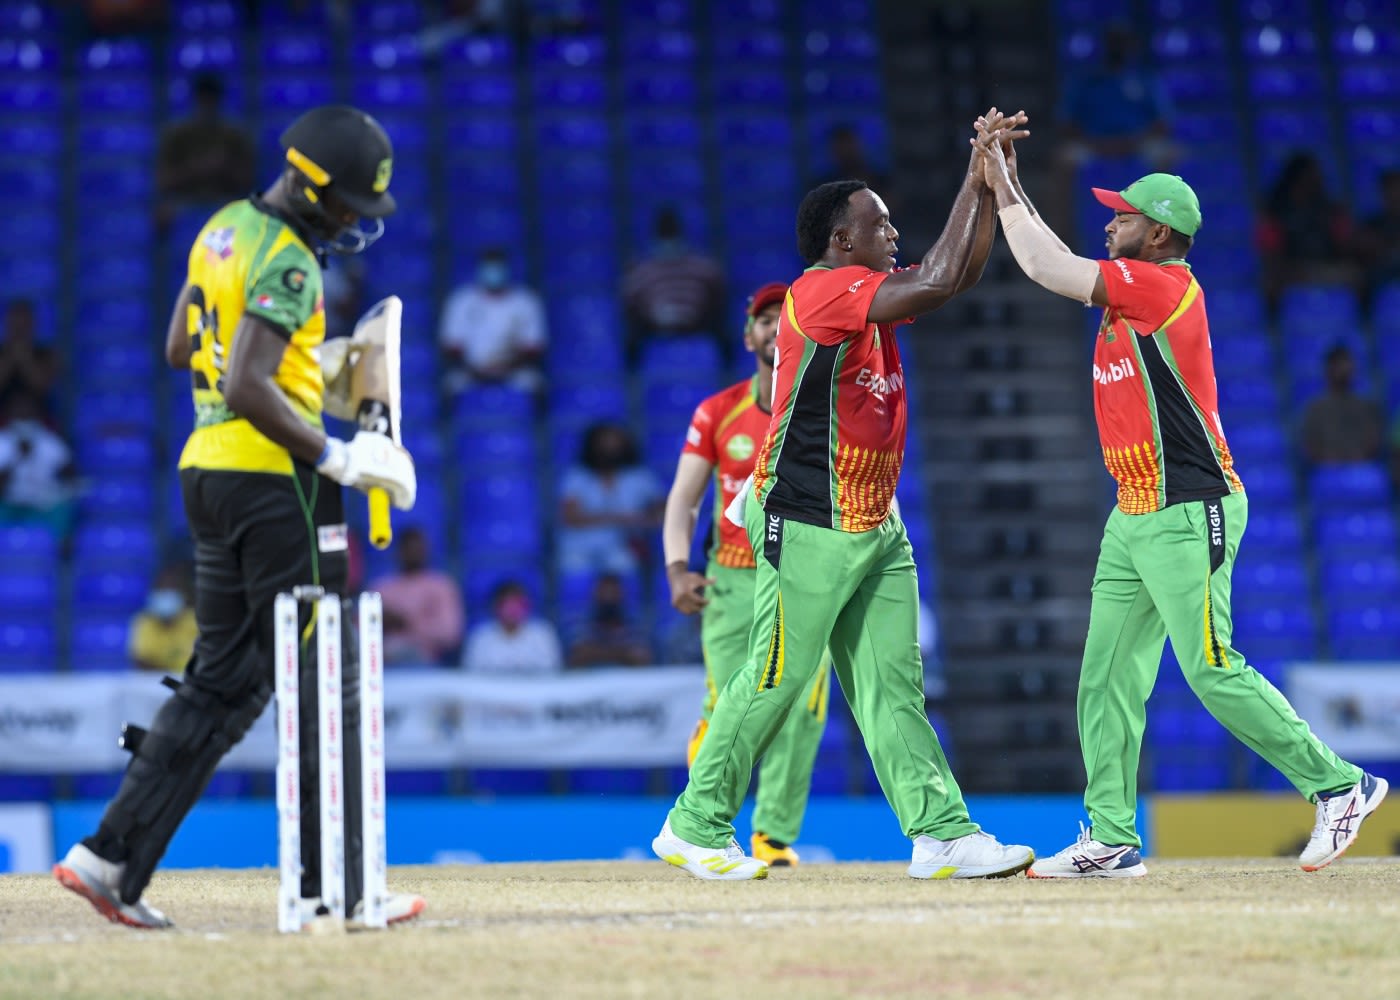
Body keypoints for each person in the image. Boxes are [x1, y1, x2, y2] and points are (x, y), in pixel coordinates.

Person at [975, 111, 1389, 877]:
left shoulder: (1160, 288)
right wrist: (1009, 179)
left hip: (1187, 504)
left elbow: (1045, 266)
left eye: (1122, 217)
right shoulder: (1132, 290)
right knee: (1104, 677)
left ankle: (1341, 786)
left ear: (1158, 235)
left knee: (1209, 666)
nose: (1110, 226)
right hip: (1134, 510)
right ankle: (1110, 837)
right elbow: (1061, 255)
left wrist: (1001, 187)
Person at [54, 105, 424, 929]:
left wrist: (310, 369)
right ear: (308, 183)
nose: (353, 224)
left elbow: (183, 346)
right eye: (348, 207)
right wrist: (333, 454)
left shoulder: (221, 229)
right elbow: (252, 383)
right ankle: (341, 888)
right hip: (273, 483)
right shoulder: (291, 262)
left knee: (226, 680)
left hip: (206, 474)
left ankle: (111, 857)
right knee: (323, 673)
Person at [653, 108, 1035, 882]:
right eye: (880, 223)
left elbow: (953, 274)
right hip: (809, 514)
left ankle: (942, 833)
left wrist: (987, 186)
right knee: (776, 677)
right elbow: (937, 279)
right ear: (841, 240)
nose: (893, 233)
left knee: (895, 685)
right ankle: (694, 826)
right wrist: (974, 178)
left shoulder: (865, 287)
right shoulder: (822, 292)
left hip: (874, 519)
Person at [661, 281, 830, 868]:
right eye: (762, 318)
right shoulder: (717, 412)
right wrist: (678, 568)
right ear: (748, 334)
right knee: (725, 704)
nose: (770, 327)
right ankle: (705, 825)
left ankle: (772, 838)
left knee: (801, 711)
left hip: (802, 576)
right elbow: (683, 500)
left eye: (780, 317)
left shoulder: (822, 409)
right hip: (731, 581)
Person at [557, 421, 663, 579]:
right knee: (574, 567)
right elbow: (570, 517)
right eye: (604, 443)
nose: (610, 448)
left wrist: (646, 520)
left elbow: (662, 510)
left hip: (623, 546)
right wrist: (621, 518)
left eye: (615, 443)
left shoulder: (639, 476)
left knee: (624, 564)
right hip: (579, 546)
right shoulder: (577, 476)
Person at [621, 206, 726, 363]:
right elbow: (630, 302)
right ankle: (635, 382)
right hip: (654, 328)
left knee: (722, 332)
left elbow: (717, 295)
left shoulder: (702, 268)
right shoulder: (642, 270)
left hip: (696, 325)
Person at [438, 247, 548, 395]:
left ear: (507, 270)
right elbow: (451, 346)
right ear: (480, 270)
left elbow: (534, 347)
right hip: (470, 371)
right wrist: (477, 370)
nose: (494, 273)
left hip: (515, 370)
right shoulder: (461, 300)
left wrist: (504, 368)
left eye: (498, 268)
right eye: (489, 268)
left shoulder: (526, 301)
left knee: (534, 383)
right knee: (451, 384)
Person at [154, 72, 256, 232]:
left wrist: (222, 168)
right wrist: (195, 169)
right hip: (184, 203)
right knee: (163, 214)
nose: (207, 106)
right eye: (204, 100)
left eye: (211, 100)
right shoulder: (176, 134)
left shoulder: (235, 135)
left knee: (251, 217)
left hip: (225, 202)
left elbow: (247, 182)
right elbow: (163, 182)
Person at [1256, 152, 1361, 304]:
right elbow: (1270, 254)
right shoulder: (1274, 212)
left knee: (1355, 275)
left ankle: (1357, 324)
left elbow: (1347, 247)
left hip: (1327, 269)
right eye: (1311, 176)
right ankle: (1275, 325)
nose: (1318, 180)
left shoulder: (1330, 209)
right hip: (1292, 271)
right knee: (1270, 282)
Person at [370, 526, 465, 666]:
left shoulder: (441, 586)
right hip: (381, 661)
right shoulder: (381, 587)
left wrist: (407, 623)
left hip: (427, 664)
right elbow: (361, 629)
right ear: (399, 552)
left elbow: (451, 633)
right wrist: (380, 622)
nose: (413, 553)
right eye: (408, 549)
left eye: (417, 549)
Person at [0, 392, 78, 540]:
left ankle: (59, 554)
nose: (23, 417)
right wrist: (17, 457)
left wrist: (58, 491)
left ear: (37, 415)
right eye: (19, 413)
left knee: (62, 508)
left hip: (42, 505)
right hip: (9, 505)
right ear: (9, 415)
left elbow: (71, 476)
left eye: (27, 413)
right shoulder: (1, 442)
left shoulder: (50, 442)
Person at [1298, 344, 1383, 465]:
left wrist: (1356, 458)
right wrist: (1332, 459)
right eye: (1339, 365)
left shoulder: (1367, 407)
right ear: (1328, 369)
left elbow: (1374, 442)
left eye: (1347, 364)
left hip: (1361, 470)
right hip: (1327, 470)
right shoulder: (1315, 409)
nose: (1344, 370)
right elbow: (1310, 447)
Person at [461, 579, 564, 675]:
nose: (513, 610)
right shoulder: (480, 637)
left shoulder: (543, 633)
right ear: (495, 607)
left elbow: (553, 673)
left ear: (527, 606)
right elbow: (471, 677)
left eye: (518, 604)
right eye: (508, 605)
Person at [566, 572, 655, 668]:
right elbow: (576, 657)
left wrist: (596, 652)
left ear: (622, 595)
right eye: (604, 593)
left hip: (629, 680)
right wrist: (622, 653)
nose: (608, 598)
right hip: (590, 681)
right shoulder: (582, 623)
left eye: (613, 593)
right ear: (595, 595)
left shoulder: (635, 624)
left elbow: (642, 657)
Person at [128, 562, 198, 675]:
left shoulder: (197, 621)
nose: (167, 594)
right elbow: (140, 662)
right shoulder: (144, 622)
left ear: (182, 594)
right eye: (163, 589)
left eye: (172, 589)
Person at [0, 299, 59, 418]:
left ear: (32, 324)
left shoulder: (46, 353)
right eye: (16, 325)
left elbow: (42, 386)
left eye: (23, 325)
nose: (19, 329)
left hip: (39, 419)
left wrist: (24, 358)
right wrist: (10, 357)